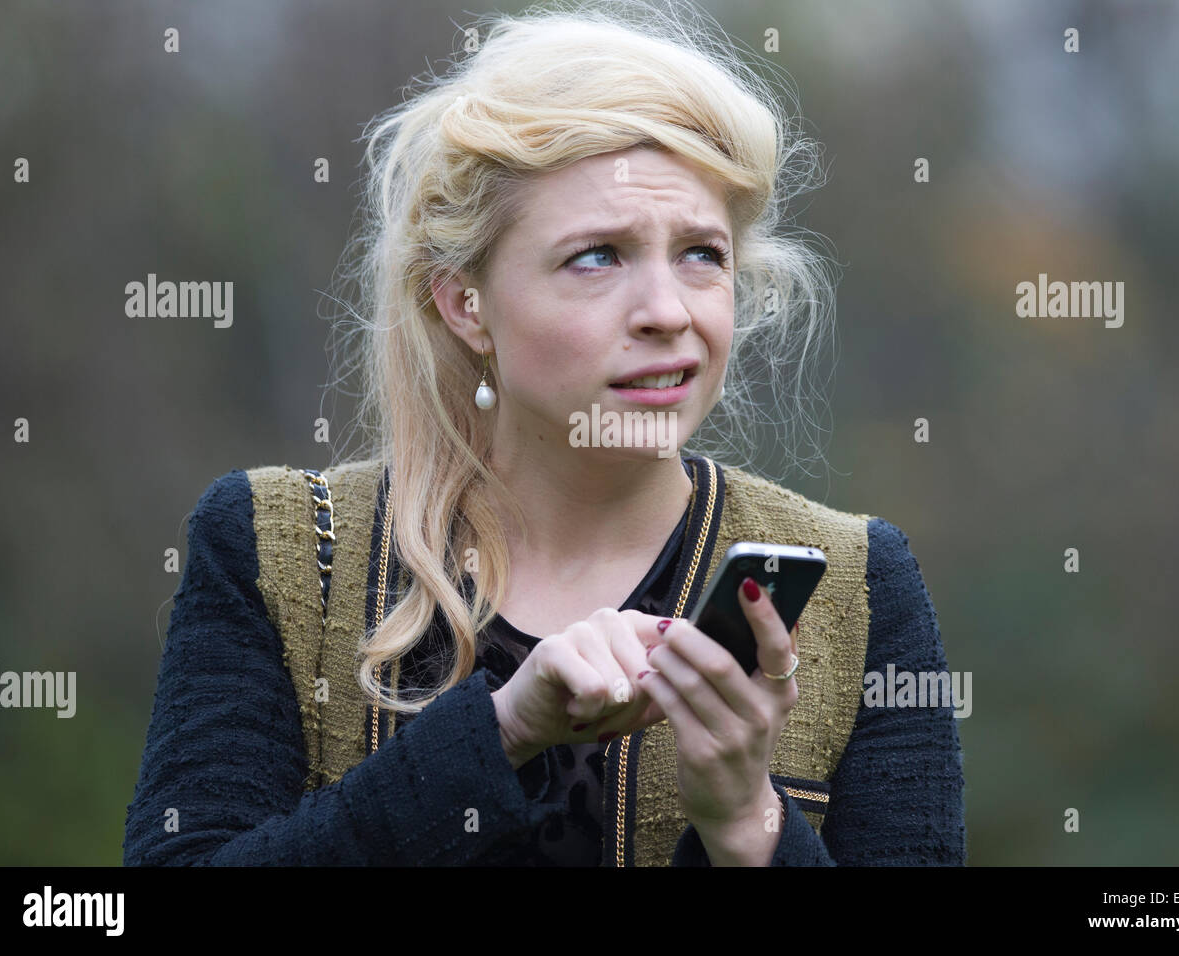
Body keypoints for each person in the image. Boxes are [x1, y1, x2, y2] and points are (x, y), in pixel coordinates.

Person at [123, 1, 965, 867]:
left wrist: (748, 824)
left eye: (702, 253)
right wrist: (501, 731)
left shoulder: (858, 589)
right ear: (465, 304)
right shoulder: (284, 551)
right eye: (597, 255)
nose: (668, 312)